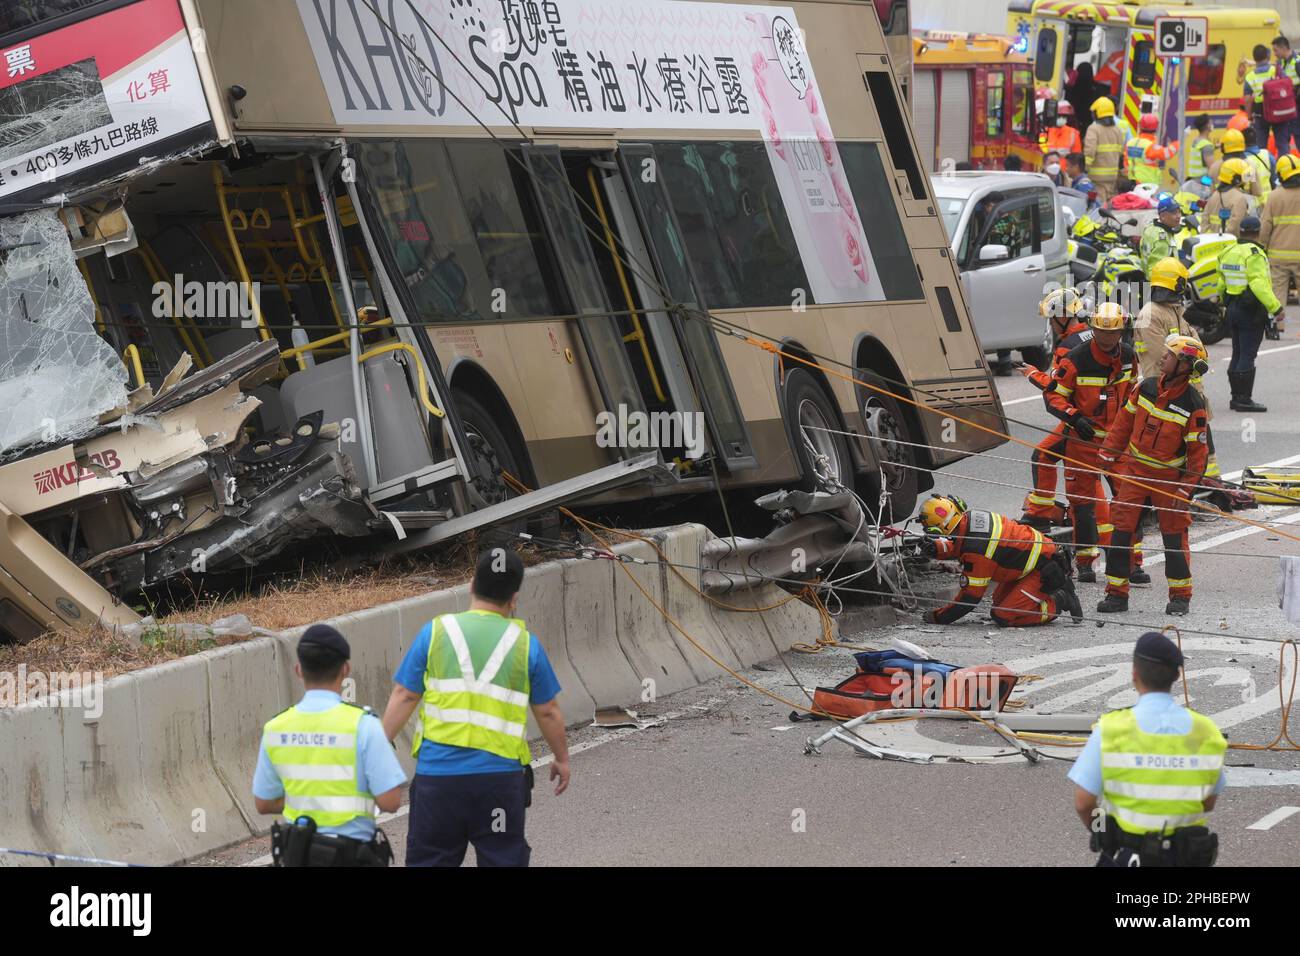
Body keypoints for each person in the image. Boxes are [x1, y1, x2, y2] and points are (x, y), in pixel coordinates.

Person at [381, 548, 570, 867]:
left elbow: (404, 695)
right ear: (514, 598)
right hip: (498, 784)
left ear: (471, 585)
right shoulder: (525, 645)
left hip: (439, 783)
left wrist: (380, 743)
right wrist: (562, 759)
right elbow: (548, 710)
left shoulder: (436, 632)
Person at [254, 624, 407, 867]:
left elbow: (263, 803)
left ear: (299, 670)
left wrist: (309, 799)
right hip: (351, 856)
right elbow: (390, 801)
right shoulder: (364, 726)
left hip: (298, 855)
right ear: (345, 669)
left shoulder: (276, 727)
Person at [1068, 631, 1226, 866]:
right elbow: (1207, 802)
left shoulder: (1110, 729)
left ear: (1134, 673)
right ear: (1176, 675)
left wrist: (1101, 830)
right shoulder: (1206, 731)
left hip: (1127, 855)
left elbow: (1083, 803)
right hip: (1186, 858)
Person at [1098, 334, 1210, 616]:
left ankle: (1180, 596)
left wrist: (1185, 492)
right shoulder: (1145, 387)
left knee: (1173, 536)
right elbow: (1123, 424)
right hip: (1135, 472)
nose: (1162, 358)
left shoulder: (1193, 405)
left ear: (1184, 365)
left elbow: (1197, 457)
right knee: (1121, 531)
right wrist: (1107, 454)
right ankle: (1116, 594)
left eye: (1169, 355)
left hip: (1168, 480)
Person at [1042, 302, 1138, 582]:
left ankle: (1132, 562)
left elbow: (1134, 394)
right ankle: (1085, 563)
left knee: (1129, 501)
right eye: (1102, 333)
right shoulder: (1076, 359)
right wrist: (1075, 418)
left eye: (1113, 333)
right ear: (1094, 330)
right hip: (1083, 442)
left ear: (1121, 332)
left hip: (1118, 443)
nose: (1108, 339)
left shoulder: (1129, 357)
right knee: (1083, 504)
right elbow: (1053, 396)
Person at [915, 494, 1082, 627]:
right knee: (998, 604)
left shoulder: (977, 553)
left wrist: (938, 617)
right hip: (1033, 562)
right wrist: (937, 548)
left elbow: (969, 599)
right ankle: (1046, 596)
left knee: (1003, 616)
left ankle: (1059, 600)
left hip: (1044, 570)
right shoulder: (971, 518)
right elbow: (961, 544)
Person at [1134, 258, 1221, 479]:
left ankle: (1210, 484)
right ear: (1178, 284)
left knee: (1201, 442)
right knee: (1170, 447)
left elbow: (1197, 348)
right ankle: (1191, 486)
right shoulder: (1150, 315)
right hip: (1165, 393)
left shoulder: (1173, 311)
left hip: (1188, 389)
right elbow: (1165, 359)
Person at [1220, 216, 1283, 412]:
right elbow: (1258, 284)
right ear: (1258, 231)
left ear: (1241, 231)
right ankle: (1243, 399)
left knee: (1237, 352)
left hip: (1233, 307)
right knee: (1247, 354)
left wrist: (1227, 302)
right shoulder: (1255, 253)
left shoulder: (1228, 251)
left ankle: (1235, 397)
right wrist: (1276, 308)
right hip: (1250, 310)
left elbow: (1221, 282)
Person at [1259, 151, 1300, 336]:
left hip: (1278, 256)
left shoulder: (1274, 196)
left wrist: (1261, 247)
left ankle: (1276, 327)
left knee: (1277, 295)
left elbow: (1265, 226)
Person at [1084, 96, 1126, 204]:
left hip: (1097, 178)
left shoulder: (1093, 129)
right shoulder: (1117, 130)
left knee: (1099, 209)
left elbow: (1089, 152)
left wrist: (1084, 170)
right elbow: (1121, 152)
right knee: (1110, 207)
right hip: (1112, 178)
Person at [1199, 157, 1251, 237]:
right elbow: (1235, 228)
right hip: (1230, 246)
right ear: (1236, 179)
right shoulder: (1239, 198)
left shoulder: (1214, 195)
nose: (1247, 178)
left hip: (1211, 244)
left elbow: (1204, 222)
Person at [1125, 113, 1177, 187]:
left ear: (1140, 126)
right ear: (1156, 129)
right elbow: (1167, 154)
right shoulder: (1150, 146)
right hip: (1146, 185)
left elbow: (1126, 162)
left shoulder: (1130, 143)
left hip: (1131, 182)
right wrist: (1179, 143)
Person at [1140, 196, 1186, 277]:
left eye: (1179, 212)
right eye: (1174, 213)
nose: (1178, 216)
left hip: (1148, 278)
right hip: (1159, 284)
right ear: (1163, 216)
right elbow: (1158, 268)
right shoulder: (1162, 238)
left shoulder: (1151, 228)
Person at [1244, 43, 1279, 150]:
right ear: (1267, 56)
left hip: (1260, 112)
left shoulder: (1250, 76)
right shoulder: (1275, 70)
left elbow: (1247, 100)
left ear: (1254, 58)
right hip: (1276, 109)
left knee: (1260, 145)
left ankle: (1262, 165)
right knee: (1281, 141)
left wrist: (1249, 115)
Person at [1274, 35, 1300, 155]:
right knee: (1284, 138)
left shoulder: (1297, 62)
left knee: (1298, 135)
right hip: (1286, 107)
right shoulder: (1281, 63)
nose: (1275, 53)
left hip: (1297, 106)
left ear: (1284, 48)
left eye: (1276, 50)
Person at [1183, 114, 1216, 194]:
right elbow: (1213, 169)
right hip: (1202, 184)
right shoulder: (1206, 145)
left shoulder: (1196, 141)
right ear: (1207, 125)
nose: (1212, 124)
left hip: (1192, 181)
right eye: (1211, 122)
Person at [1243, 127, 1276, 204]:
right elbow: (1274, 179)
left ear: (1242, 142)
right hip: (1269, 201)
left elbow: (1246, 186)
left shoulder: (1243, 160)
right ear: (1256, 139)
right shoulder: (1267, 155)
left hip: (1253, 205)